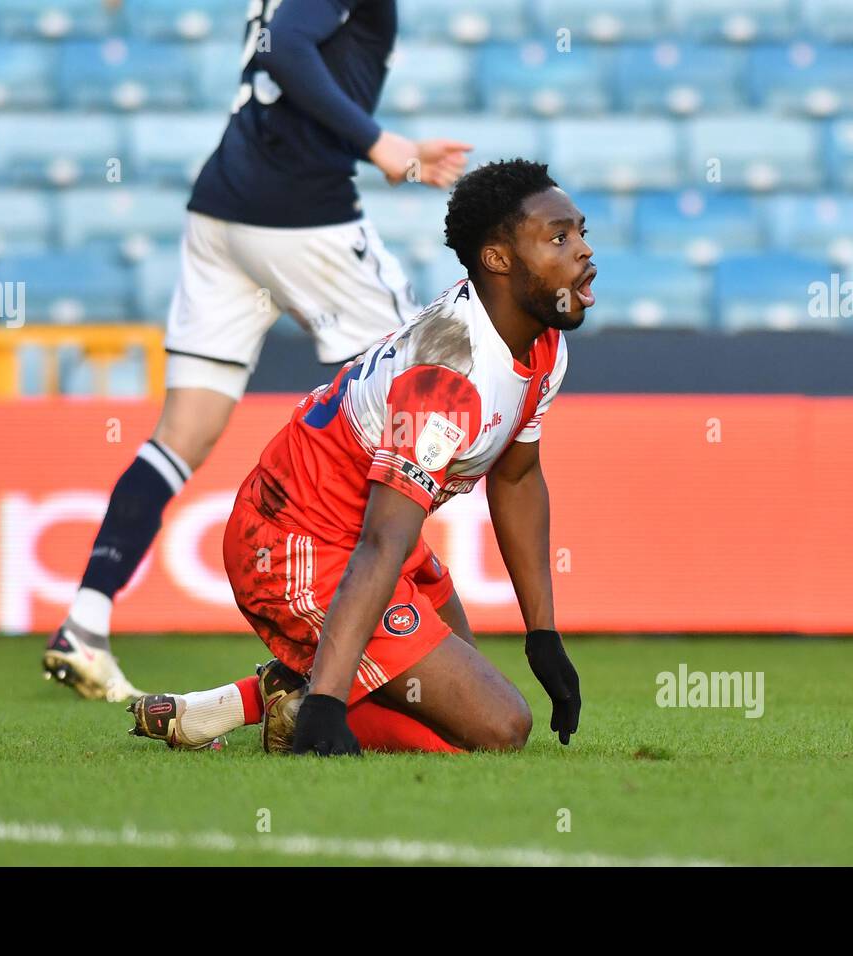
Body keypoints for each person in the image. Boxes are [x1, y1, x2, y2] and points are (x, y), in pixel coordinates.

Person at [44, 0, 471, 700]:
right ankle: (374, 639)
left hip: (224, 207)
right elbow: (288, 47)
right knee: (418, 399)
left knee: (181, 434)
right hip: (301, 215)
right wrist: (380, 142)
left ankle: (85, 624)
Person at [128, 158, 593, 755]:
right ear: (498, 260)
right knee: (498, 728)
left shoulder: (541, 342)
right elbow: (380, 542)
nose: (582, 249)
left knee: (459, 691)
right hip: (297, 542)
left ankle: (278, 692)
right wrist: (327, 707)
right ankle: (305, 702)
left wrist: (543, 633)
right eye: (560, 237)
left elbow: (518, 478)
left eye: (581, 231)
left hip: (361, 528)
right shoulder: (447, 374)